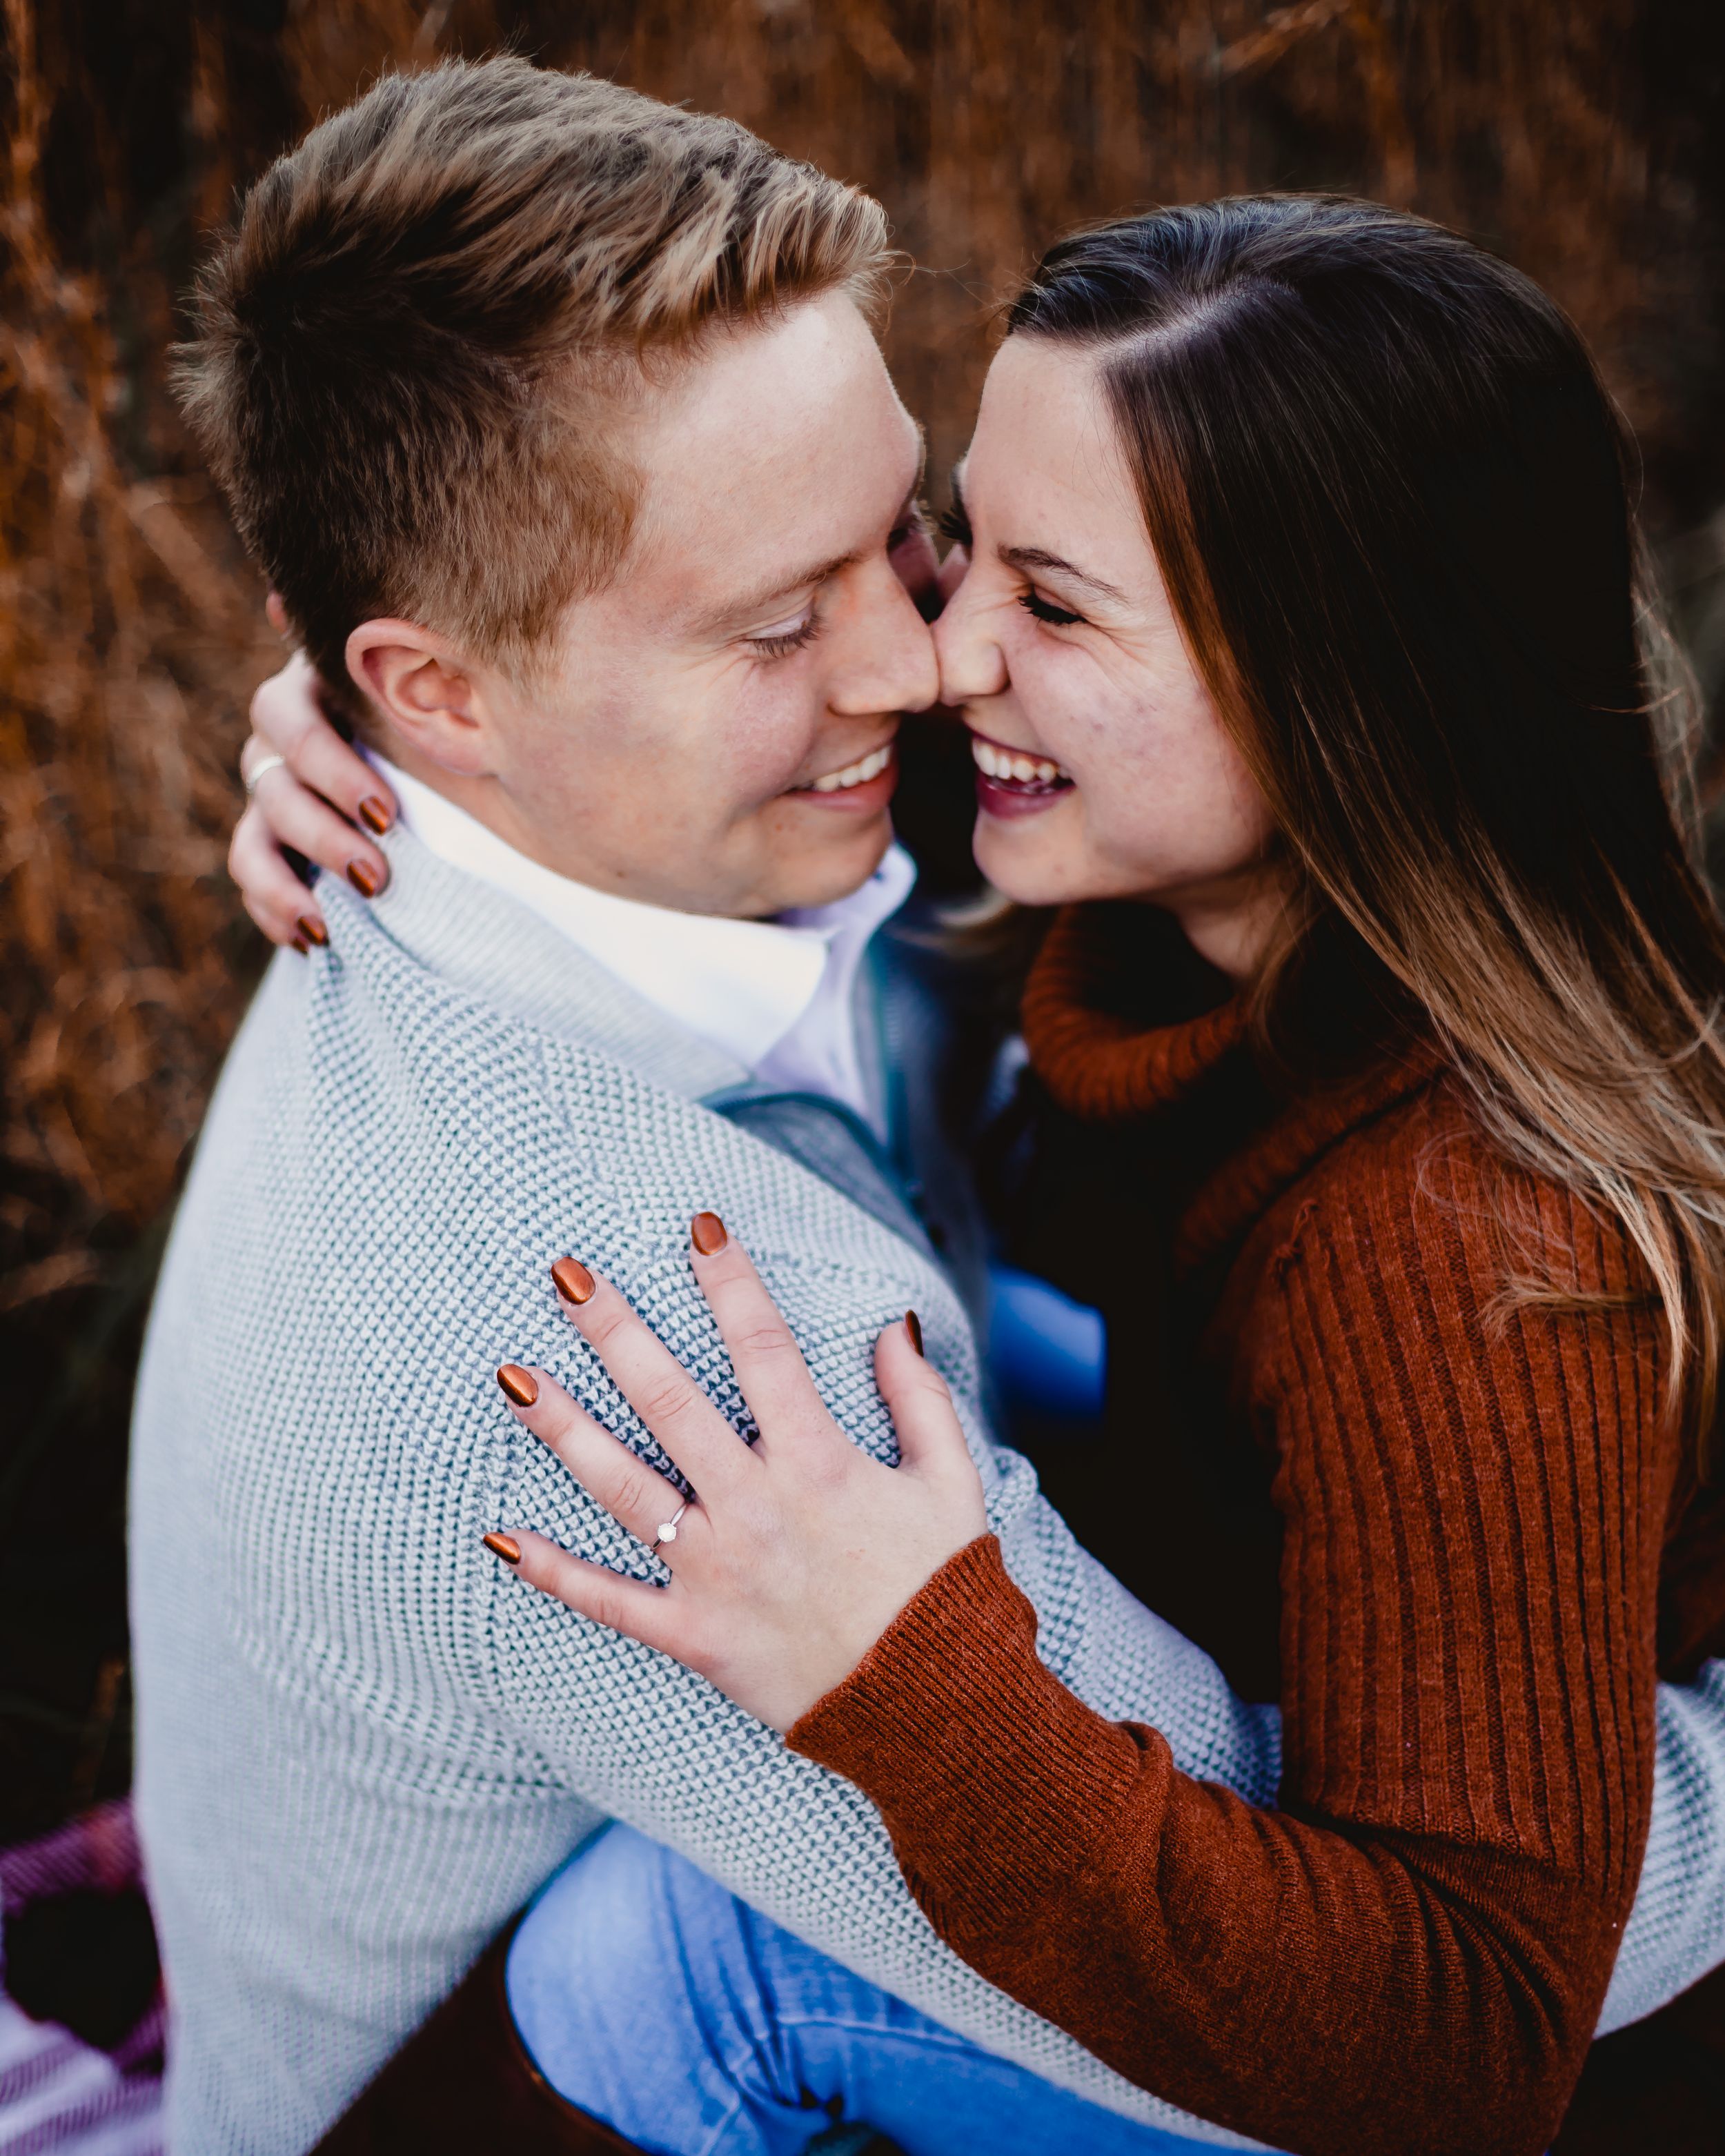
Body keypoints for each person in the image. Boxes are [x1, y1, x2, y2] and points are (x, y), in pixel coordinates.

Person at [231, 189, 1725, 2156]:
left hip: (1557, 2069)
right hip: (1232, 1704)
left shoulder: (1456, 1245)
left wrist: (913, 1688)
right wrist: (394, 753)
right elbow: (647, 726)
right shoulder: (1120, 832)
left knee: (681, 1951)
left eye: (1052, 599)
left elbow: (1461, 2049)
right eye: (962, 547)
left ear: (1338, 683)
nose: (932, 664)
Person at [134, 57, 1343, 2156]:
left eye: (907, 536)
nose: (918, 665)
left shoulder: (515, 820)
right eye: (785, 620)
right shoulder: (664, 1326)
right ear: (434, 693)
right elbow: (1328, 1938)